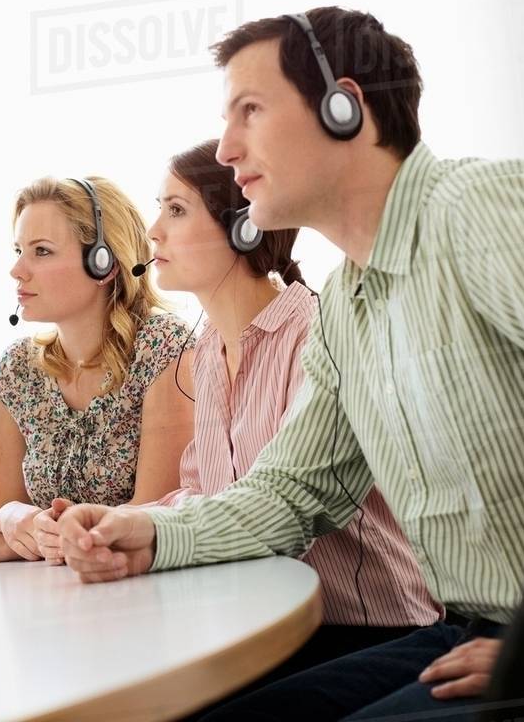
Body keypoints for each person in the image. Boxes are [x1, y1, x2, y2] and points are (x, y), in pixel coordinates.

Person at [55, 7, 524, 720]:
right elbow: (291, 494)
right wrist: (151, 535)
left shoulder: (487, 212)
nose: (224, 148)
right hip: (467, 628)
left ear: (347, 108)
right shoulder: (345, 302)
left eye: (250, 110)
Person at [37, 141, 440, 679]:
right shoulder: (205, 355)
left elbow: (284, 504)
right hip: (264, 624)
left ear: (244, 226)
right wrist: (123, 519)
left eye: (176, 211)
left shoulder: (314, 334)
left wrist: (142, 527)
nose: (153, 231)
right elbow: (206, 494)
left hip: (364, 629)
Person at [0, 176, 195, 563]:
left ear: (103, 263)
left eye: (41, 251)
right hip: (53, 595)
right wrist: (13, 518)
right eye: (19, 249)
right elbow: (3, 512)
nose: (17, 270)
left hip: (142, 589)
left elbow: (152, 516)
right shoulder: (17, 369)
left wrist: (12, 543)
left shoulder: (163, 347)